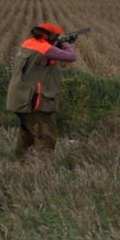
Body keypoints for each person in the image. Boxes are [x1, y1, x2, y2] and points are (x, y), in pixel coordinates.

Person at [6, 23, 77, 158]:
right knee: (47, 135)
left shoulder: (29, 43)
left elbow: (50, 62)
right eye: (57, 36)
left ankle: (19, 161)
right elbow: (71, 57)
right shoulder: (45, 48)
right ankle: (41, 169)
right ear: (50, 36)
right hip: (31, 102)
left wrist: (58, 43)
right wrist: (65, 44)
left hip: (19, 98)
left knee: (28, 132)